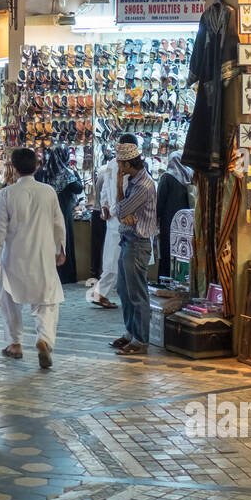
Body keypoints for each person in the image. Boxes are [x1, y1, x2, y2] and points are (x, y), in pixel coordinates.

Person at [0, 147, 65, 369]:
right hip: (43, 255)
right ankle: (44, 339)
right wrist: (60, 249)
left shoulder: (7, 194)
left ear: (14, 169)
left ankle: (14, 343)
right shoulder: (48, 192)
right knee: (47, 300)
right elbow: (58, 223)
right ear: (36, 166)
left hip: (14, 256)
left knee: (9, 299)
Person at [111, 141, 158, 356]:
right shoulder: (134, 181)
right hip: (128, 240)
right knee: (124, 289)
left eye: (121, 164)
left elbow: (120, 210)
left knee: (137, 292)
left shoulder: (143, 186)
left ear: (129, 163)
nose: (119, 168)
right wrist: (121, 200)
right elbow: (120, 210)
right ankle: (131, 333)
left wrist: (122, 207)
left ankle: (140, 340)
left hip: (137, 244)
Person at [89, 132, 138, 310]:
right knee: (115, 260)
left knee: (113, 258)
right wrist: (107, 207)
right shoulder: (123, 167)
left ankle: (102, 293)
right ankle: (100, 293)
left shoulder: (110, 165)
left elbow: (104, 193)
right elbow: (122, 194)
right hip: (122, 220)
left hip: (114, 219)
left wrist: (105, 207)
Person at [36, 145, 83, 284]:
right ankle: (65, 276)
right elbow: (79, 189)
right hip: (63, 211)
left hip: (45, 212)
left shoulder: (42, 172)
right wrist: (76, 174)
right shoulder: (67, 173)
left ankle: (47, 274)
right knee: (63, 241)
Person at [154, 153, 194, 283]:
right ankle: (181, 282)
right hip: (187, 224)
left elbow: (159, 202)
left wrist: (155, 221)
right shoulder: (189, 177)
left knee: (166, 253)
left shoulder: (167, 177)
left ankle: (165, 281)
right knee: (182, 254)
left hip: (169, 224)